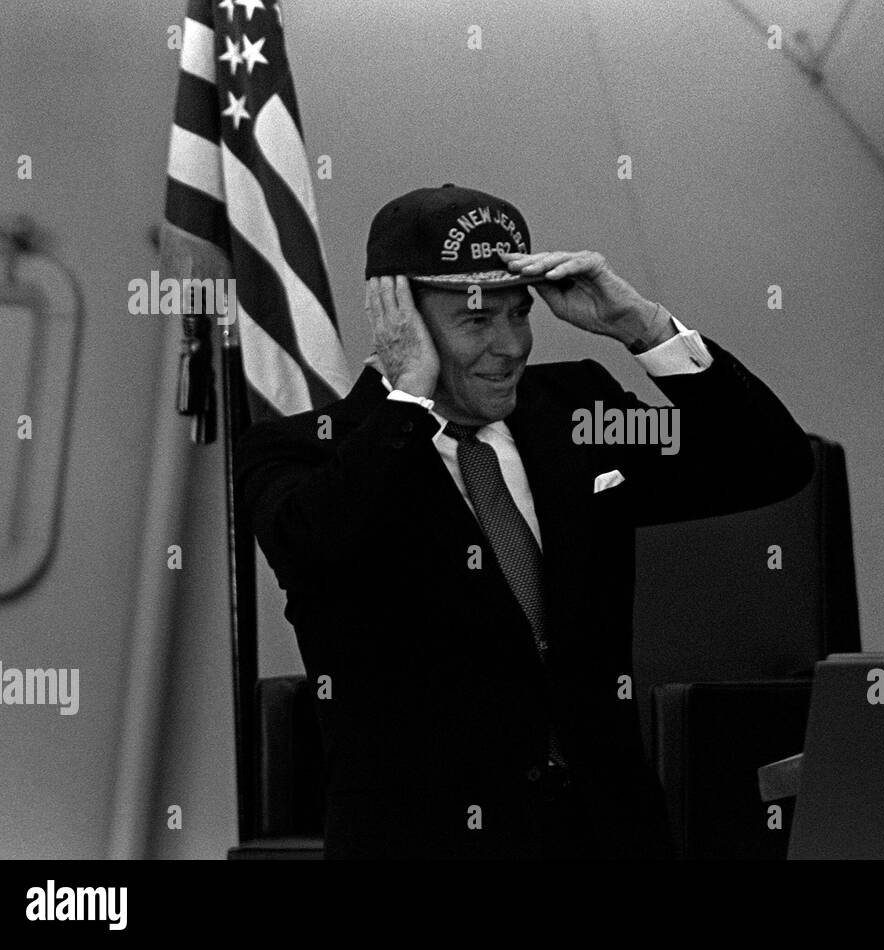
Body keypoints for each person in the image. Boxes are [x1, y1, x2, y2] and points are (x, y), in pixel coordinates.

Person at [236, 184, 813, 859]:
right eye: (477, 321)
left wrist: (641, 326)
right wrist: (406, 401)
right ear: (401, 323)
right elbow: (316, 548)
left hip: (609, 842)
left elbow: (768, 462)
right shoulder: (311, 451)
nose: (511, 346)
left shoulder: (574, 411)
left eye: (519, 314)